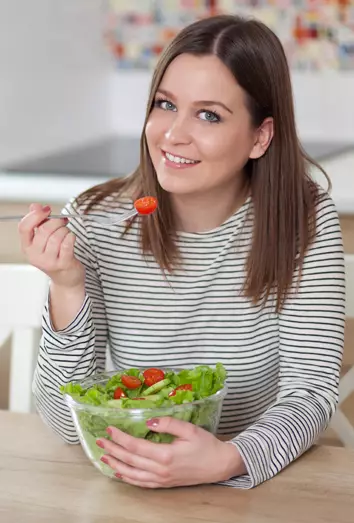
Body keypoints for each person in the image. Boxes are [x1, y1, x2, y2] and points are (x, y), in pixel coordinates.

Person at [19, 15, 345, 489]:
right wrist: (66, 286)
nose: (172, 135)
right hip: (128, 481)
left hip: (252, 484)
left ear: (260, 136)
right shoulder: (95, 219)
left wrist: (228, 459)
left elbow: (310, 394)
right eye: (165, 105)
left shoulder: (303, 220)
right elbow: (67, 424)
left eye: (209, 114)